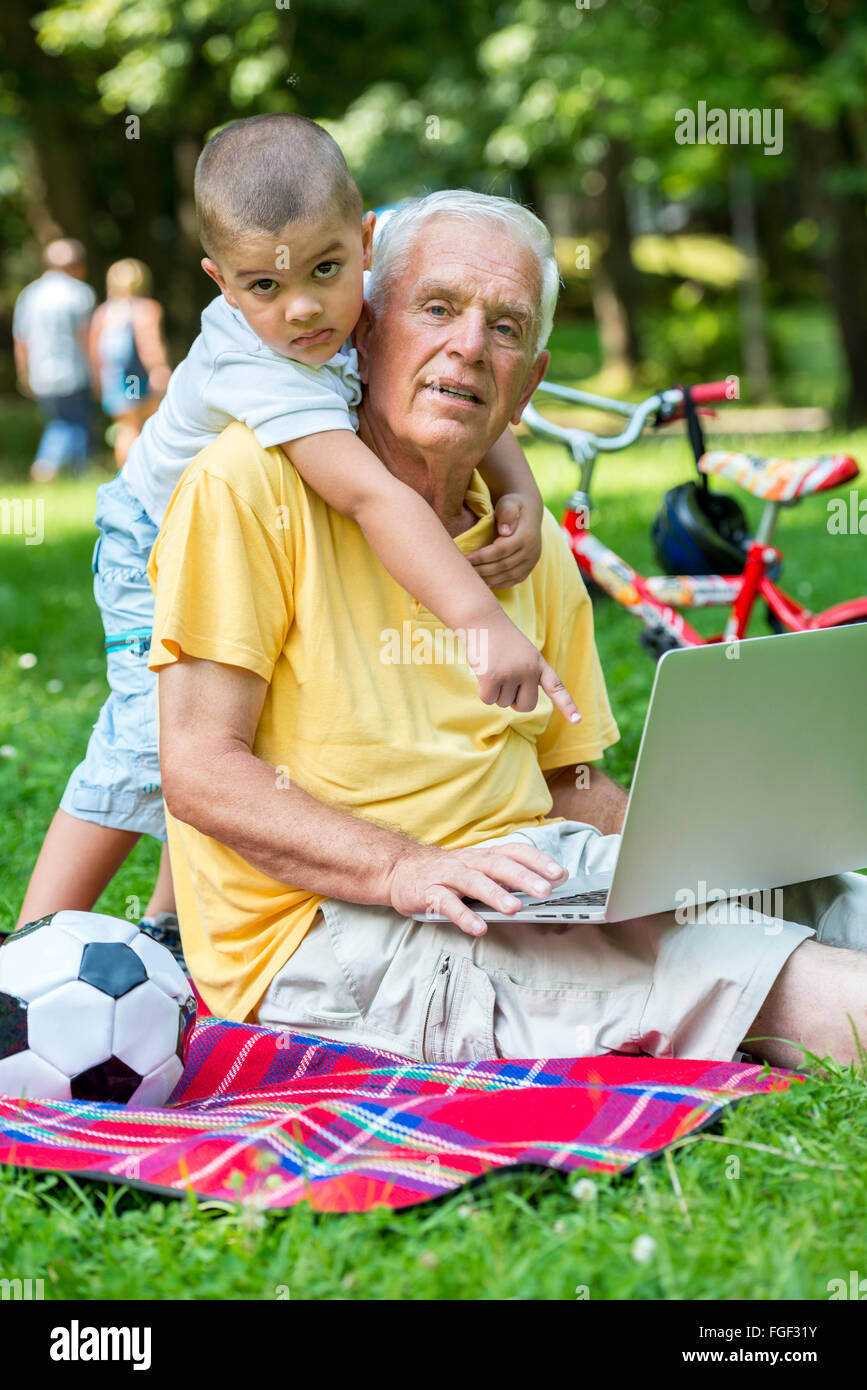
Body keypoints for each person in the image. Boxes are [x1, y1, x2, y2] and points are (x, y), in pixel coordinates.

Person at [148, 191, 867, 1068]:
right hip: (336, 929)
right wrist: (401, 869)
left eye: (503, 327)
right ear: (363, 331)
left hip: (530, 876)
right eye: (438, 308)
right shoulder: (246, 489)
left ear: (528, 381)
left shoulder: (526, 547)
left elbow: (566, 785)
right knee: (763, 974)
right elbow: (198, 769)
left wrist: (703, 853)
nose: (467, 347)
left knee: (818, 894)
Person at [16, 116, 574, 953]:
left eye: (325, 269)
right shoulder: (261, 361)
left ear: (366, 243)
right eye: (264, 288)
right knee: (153, 738)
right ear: (220, 282)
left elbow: (459, 382)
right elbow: (370, 499)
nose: (305, 308)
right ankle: (28, 950)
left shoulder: (341, 300)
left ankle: (172, 925)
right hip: (148, 541)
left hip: (241, 534)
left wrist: (518, 486)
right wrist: (480, 622)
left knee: (251, 709)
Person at [12, 238, 95, 483]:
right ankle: (51, 467)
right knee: (75, 424)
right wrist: (98, 374)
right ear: (76, 265)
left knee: (59, 421)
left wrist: (23, 374)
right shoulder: (80, 293)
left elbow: (21, 340)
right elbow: (86, 338)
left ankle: (67, 472)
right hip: (75, 370)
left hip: (41, 373)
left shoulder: (29, 294)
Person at [90, 258, 171, 467]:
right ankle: (142, 473)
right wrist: (159, 369)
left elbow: (95, 350)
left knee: (125, 427)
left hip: (114, 378)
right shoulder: (145, 308)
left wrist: (98, 381)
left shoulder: (104, 312)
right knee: (144, 425)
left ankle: (125, 474)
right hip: (136, 376)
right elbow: (149, 344)